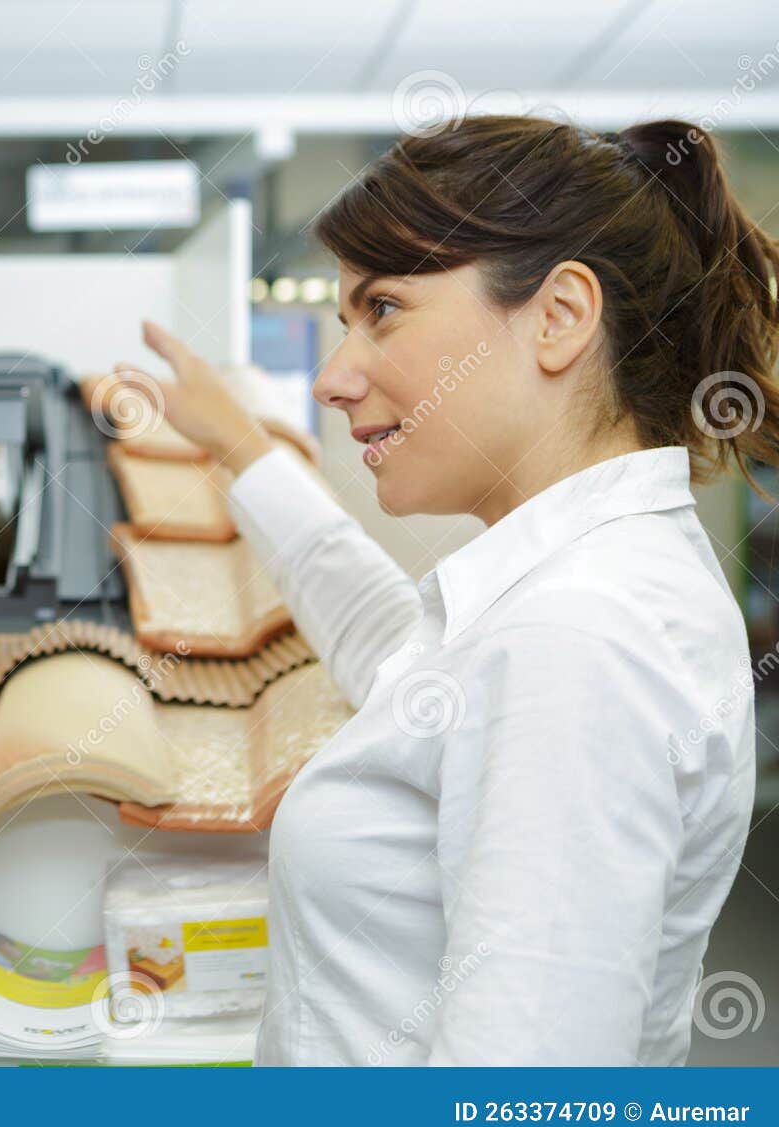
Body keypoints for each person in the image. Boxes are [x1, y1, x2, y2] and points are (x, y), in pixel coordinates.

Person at [128, 116, 773, 1064]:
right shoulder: (573, 586)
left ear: (558, 318)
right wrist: (239, 446)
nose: (332, 377)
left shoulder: (580, 636)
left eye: (381, 309)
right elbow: (395, 654)